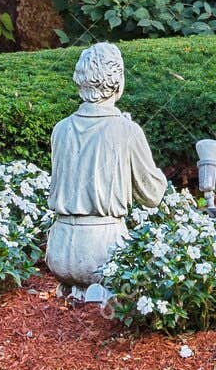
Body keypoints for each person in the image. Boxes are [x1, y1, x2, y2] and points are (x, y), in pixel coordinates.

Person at [45, 42, 168, 302]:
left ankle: (73, 291)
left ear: (80, 81)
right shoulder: (126, 130)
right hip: (102, 250)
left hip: (58, 249)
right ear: (118, 82)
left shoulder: (61, 129)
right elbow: (153, 195)